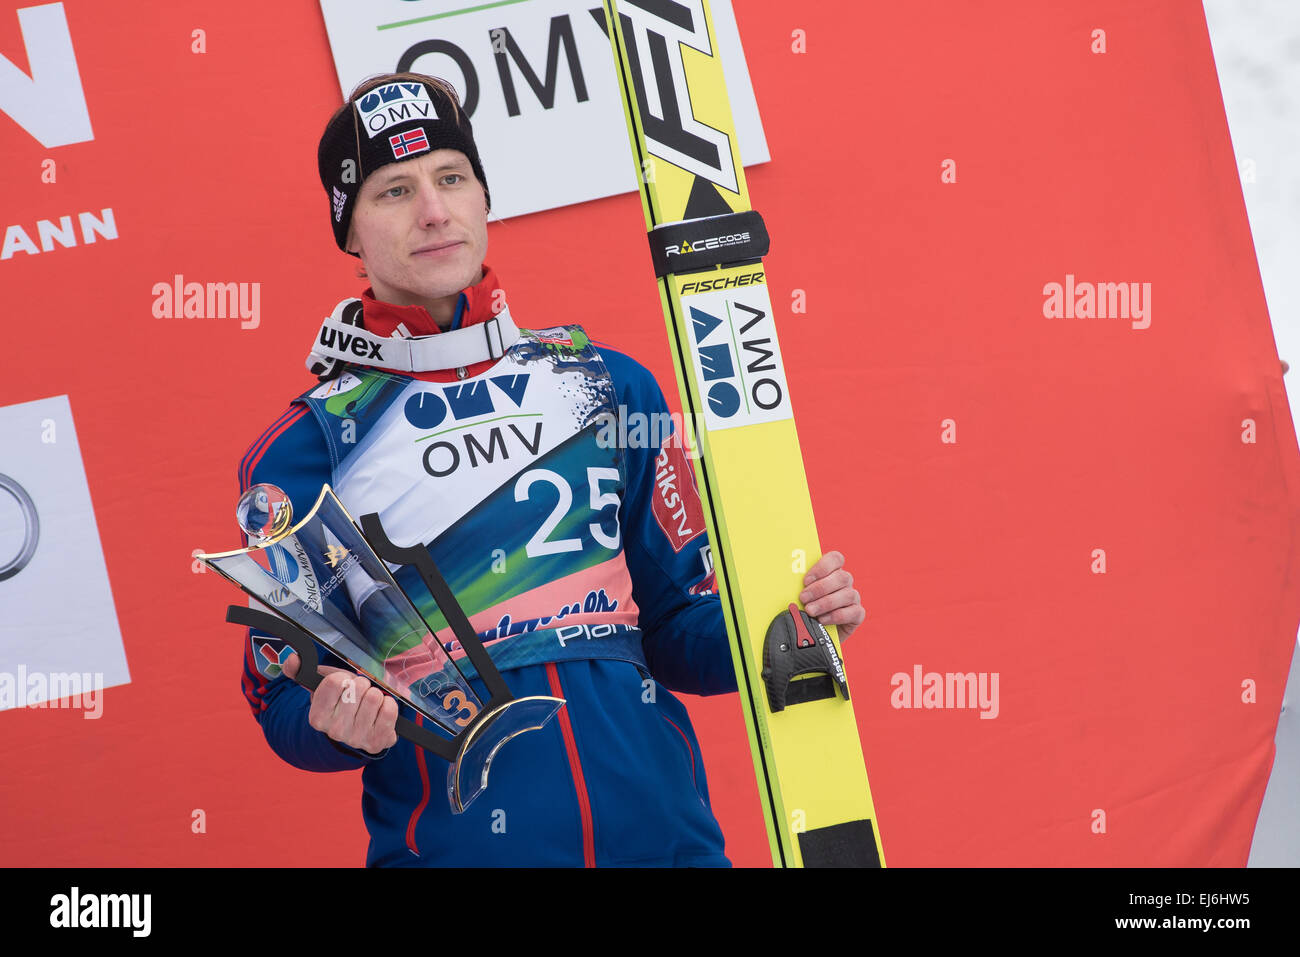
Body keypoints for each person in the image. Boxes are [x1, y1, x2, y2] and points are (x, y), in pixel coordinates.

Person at [237, 71, 866, 867]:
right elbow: (281, 696)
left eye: (452, 178)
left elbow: (679, 634)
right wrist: (336, 726)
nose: (434, 211)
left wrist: (780, 620)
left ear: (484, 199)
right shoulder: (305, 446)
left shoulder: (607, 385)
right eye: (394, 191)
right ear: (350, 232)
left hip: (669, 846)